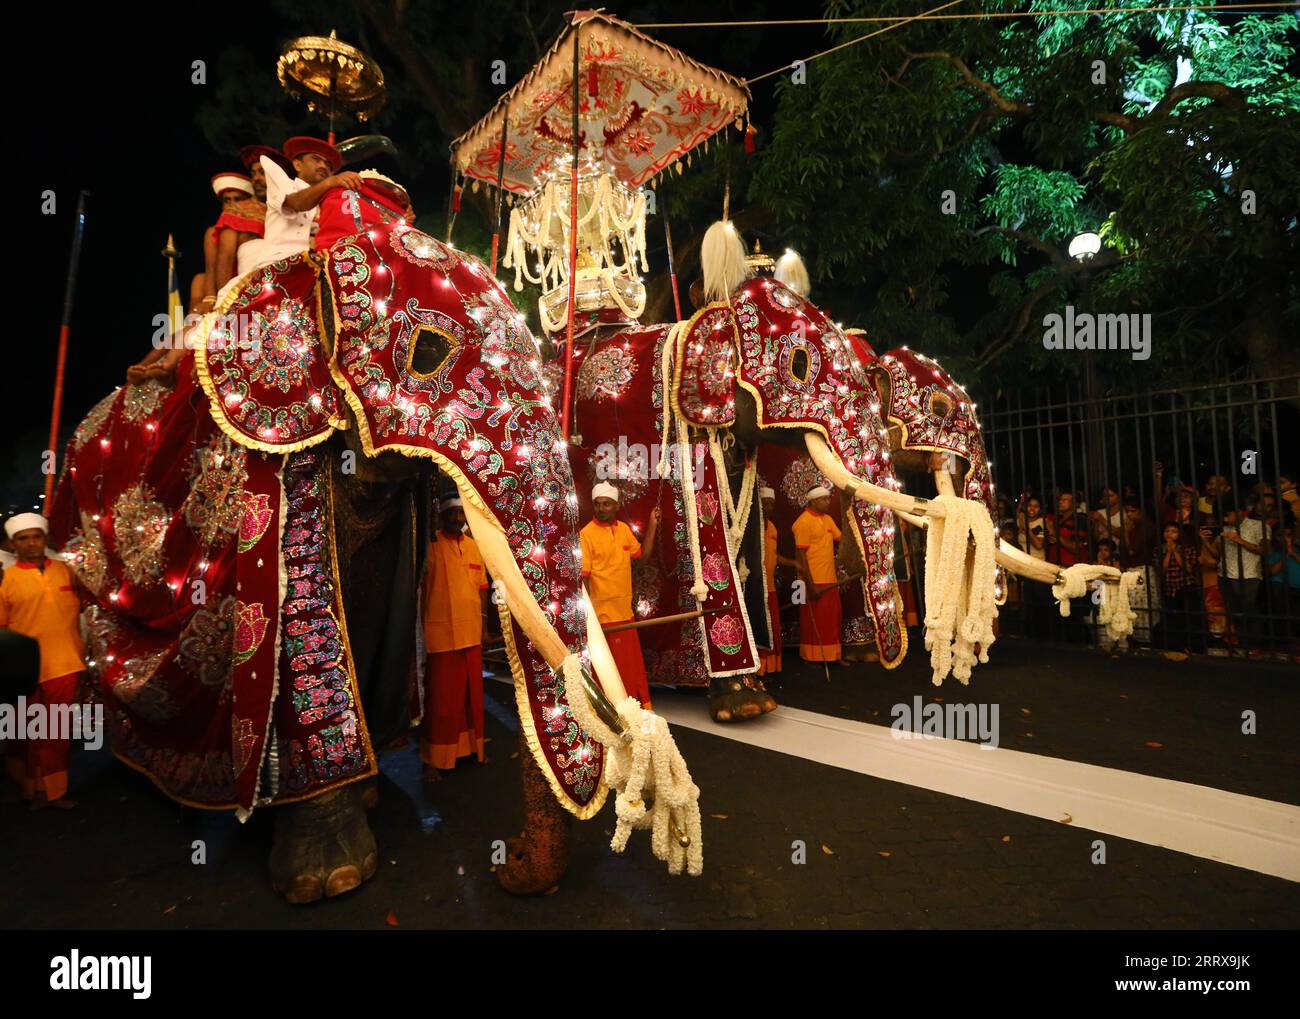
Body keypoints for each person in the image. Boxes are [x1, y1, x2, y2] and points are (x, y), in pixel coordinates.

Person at [0, 514, 86, 808]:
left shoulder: (68, 571)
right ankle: (27, 787)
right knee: (22, 732)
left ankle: (53, 793)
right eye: (23, 538)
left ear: (45, 538)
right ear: (13, 544)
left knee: (55, 732)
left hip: (65, 664)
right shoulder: (6, 579)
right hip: (21, 670)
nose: (31, 543)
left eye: (36, 536)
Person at [420, 497, 489, 780]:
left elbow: (483, 588)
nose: (458, 518)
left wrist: (484, 625)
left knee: (471, 697)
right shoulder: (430, 545)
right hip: (440, 635)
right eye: (452, 513)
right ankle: (434, 759)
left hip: (471, 631)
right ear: (441, 516)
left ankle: (473, 748)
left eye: (461, 513)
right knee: (443, 701)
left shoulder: (473, 545)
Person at [580, 482, 658, 708]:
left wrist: (652, 524)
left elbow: (642, 559)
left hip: (625, 613)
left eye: (606, 504)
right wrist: (588, 617)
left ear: (617, 505)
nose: (601, 508)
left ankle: (637, 711)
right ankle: (611, 714)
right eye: (597, 504)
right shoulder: (586, 534)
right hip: (602, 618)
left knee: (630, 669)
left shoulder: (623, 529)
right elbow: (583, 578)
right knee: (608, 672)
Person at [793, 485, 846, 665]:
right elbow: (800, 557)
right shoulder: (803, 522)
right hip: (810, 581)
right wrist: (810, 585)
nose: (827, 502)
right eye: (824, 499)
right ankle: (812, 657)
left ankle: (833, 655)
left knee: (832, 619)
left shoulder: (828, 519)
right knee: (811, 620)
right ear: (813, 500)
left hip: (830, 579)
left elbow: (842, 540)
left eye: (828, 498)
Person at [1218, 498, 1271, 655]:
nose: (1225, 519)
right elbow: (1219, 553)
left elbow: (1264, 550)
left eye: (1227, 515)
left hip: (1249, 575)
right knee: (1232, 611)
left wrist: (1238, 539)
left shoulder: (1259, 526)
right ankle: (1239, 644)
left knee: (1249, 610)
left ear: (1239, 512)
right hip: (1225, 574)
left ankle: (1254, 645)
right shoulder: (1225, 527)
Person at [757, 487, 796, 675]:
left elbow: (775, 556)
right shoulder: (751, 526)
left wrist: (794, 563)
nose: (768, 506)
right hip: (756, 589)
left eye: (771, 503)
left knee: (772, 628)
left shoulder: (772, 527)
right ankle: (758, 670)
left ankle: (771, 668)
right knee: (761, 629)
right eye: (765, 503)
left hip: (771, 586)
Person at [1156, 521, 1203, 652]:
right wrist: (1168, 553)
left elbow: (1188, 568)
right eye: (1167, 531)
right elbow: (1161, 570)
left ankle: (1190, 646)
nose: (1169, 534)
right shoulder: (1159, 549)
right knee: (1172, 619)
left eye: (1173, 531)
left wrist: (1175, 551)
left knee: (1187, 619)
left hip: (1185, 588)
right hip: (1169, 589)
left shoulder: (1188, 548)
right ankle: (1175, 646)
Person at [1265, 526, 1300, 653]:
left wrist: (1293, 552)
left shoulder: (1298, 549)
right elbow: (1273, 571)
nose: (1286, 539)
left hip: (1297, 588)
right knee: (1285, 616)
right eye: (1282, 536)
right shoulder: (1274, 553)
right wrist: (1286, 555)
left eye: (1289, 535)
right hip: (1282, 589)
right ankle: (1285, 644)